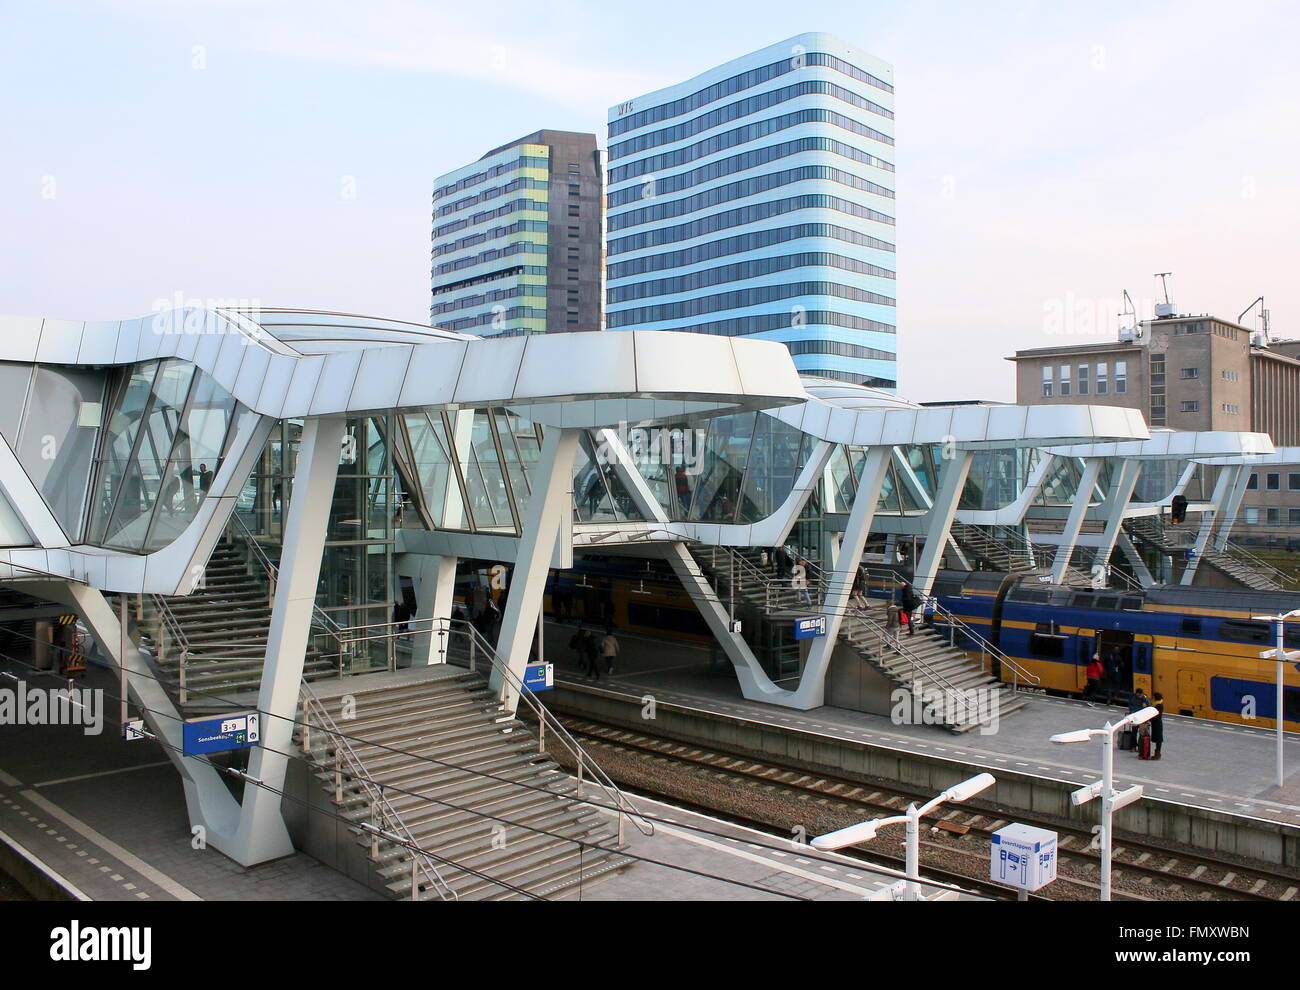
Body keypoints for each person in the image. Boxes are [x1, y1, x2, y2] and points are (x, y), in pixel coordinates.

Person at [1149, 692, 1165, 760]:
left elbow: (1156, 715)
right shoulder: (1158, 704)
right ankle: (1157, 754)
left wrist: (1150, 719)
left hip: (1157, 724)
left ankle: (1157, 754)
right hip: (1156, 723)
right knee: (1157, 739)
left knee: (1158, 739)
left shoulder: (1159, 705)